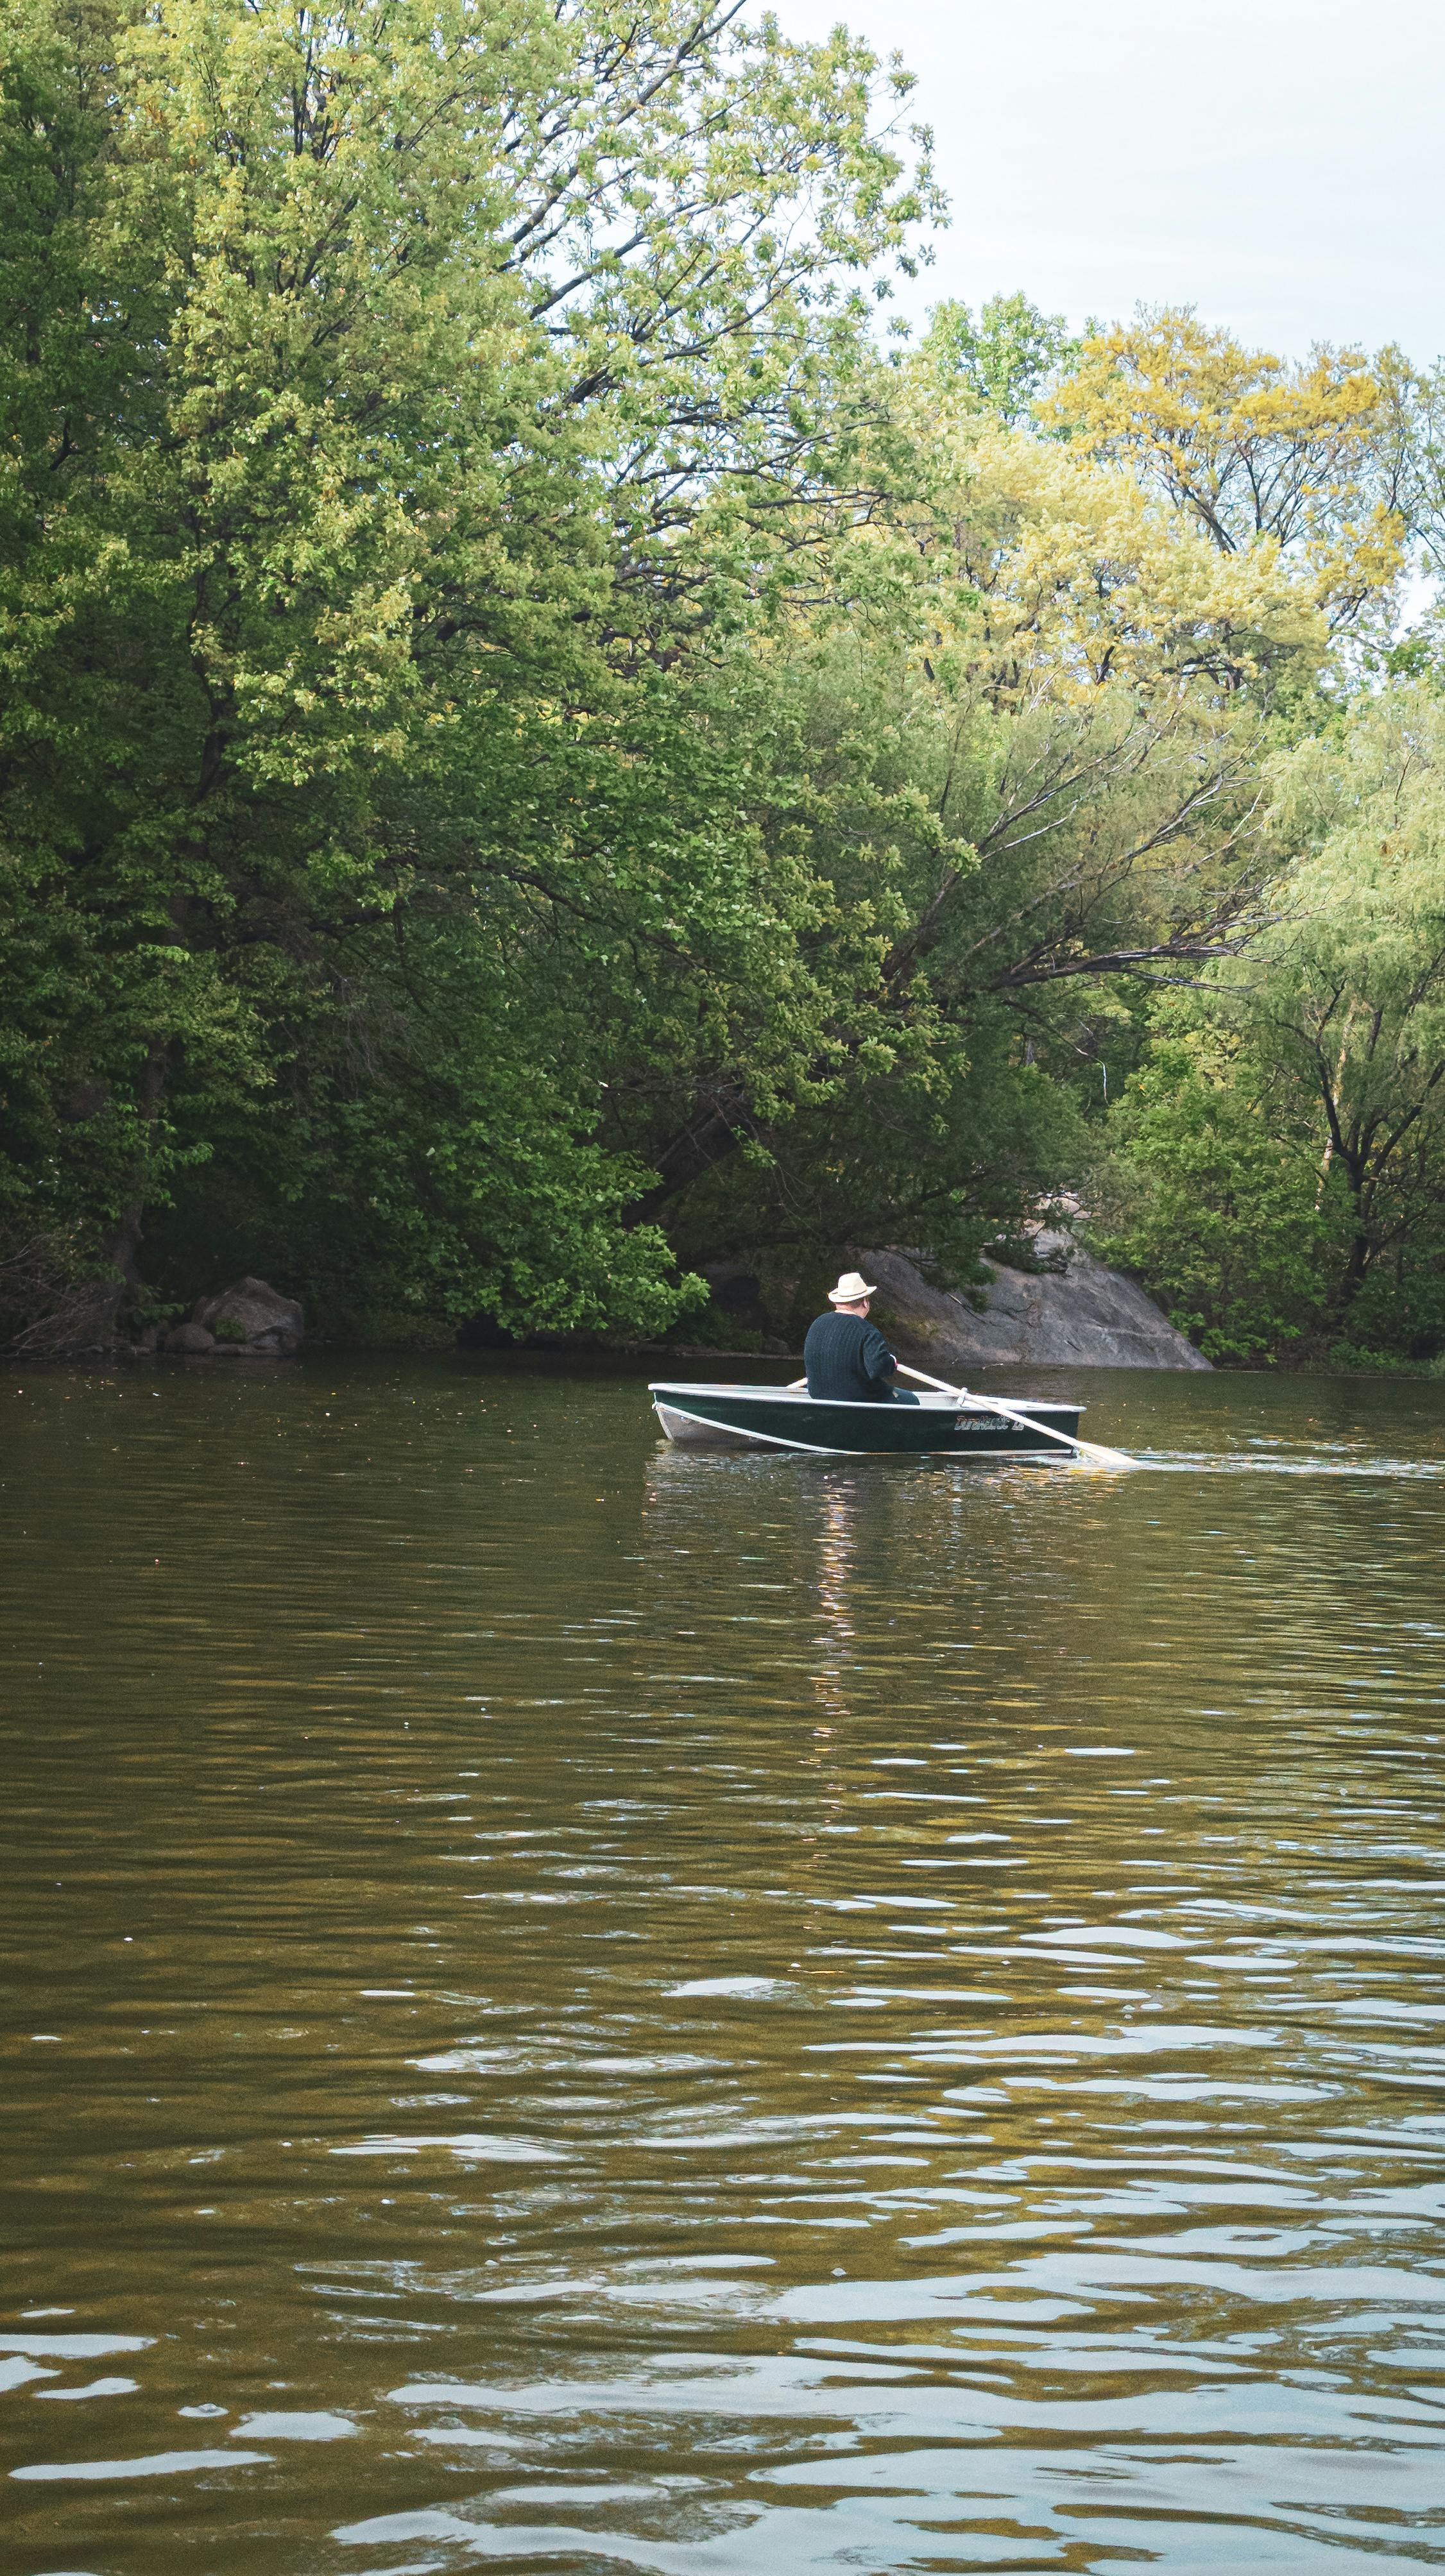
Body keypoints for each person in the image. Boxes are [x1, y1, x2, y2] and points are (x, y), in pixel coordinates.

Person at [803, 1272, 919, 1403]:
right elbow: (879, 1368)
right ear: (865, 1302)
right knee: (911, 1400)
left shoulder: (818, 1324)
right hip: (858, 1398)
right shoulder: (867, 1331)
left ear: (838, 1301)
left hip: (819, 1397)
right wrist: (891, 1362)